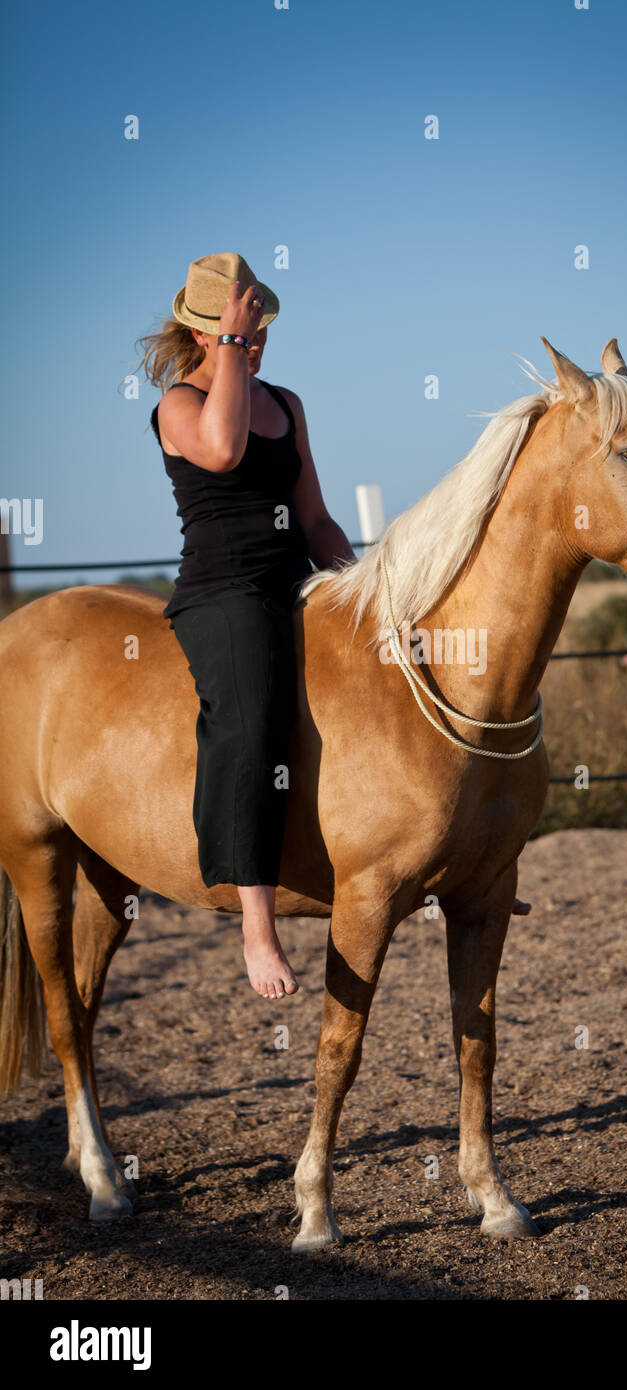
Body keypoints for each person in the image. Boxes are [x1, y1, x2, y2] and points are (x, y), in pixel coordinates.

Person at [137, 252, 355, 1000]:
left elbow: (318, 516)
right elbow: (224, 451)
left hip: (297, 578)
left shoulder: (286, 403)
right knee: (253, 721)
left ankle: (453, 860)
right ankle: (256, 925)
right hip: (225, 592)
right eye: (242, 327)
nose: (257, 338)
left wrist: (359, 591)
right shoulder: (179, 405)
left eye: (259, 326)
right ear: (204, 332)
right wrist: (229, 350)